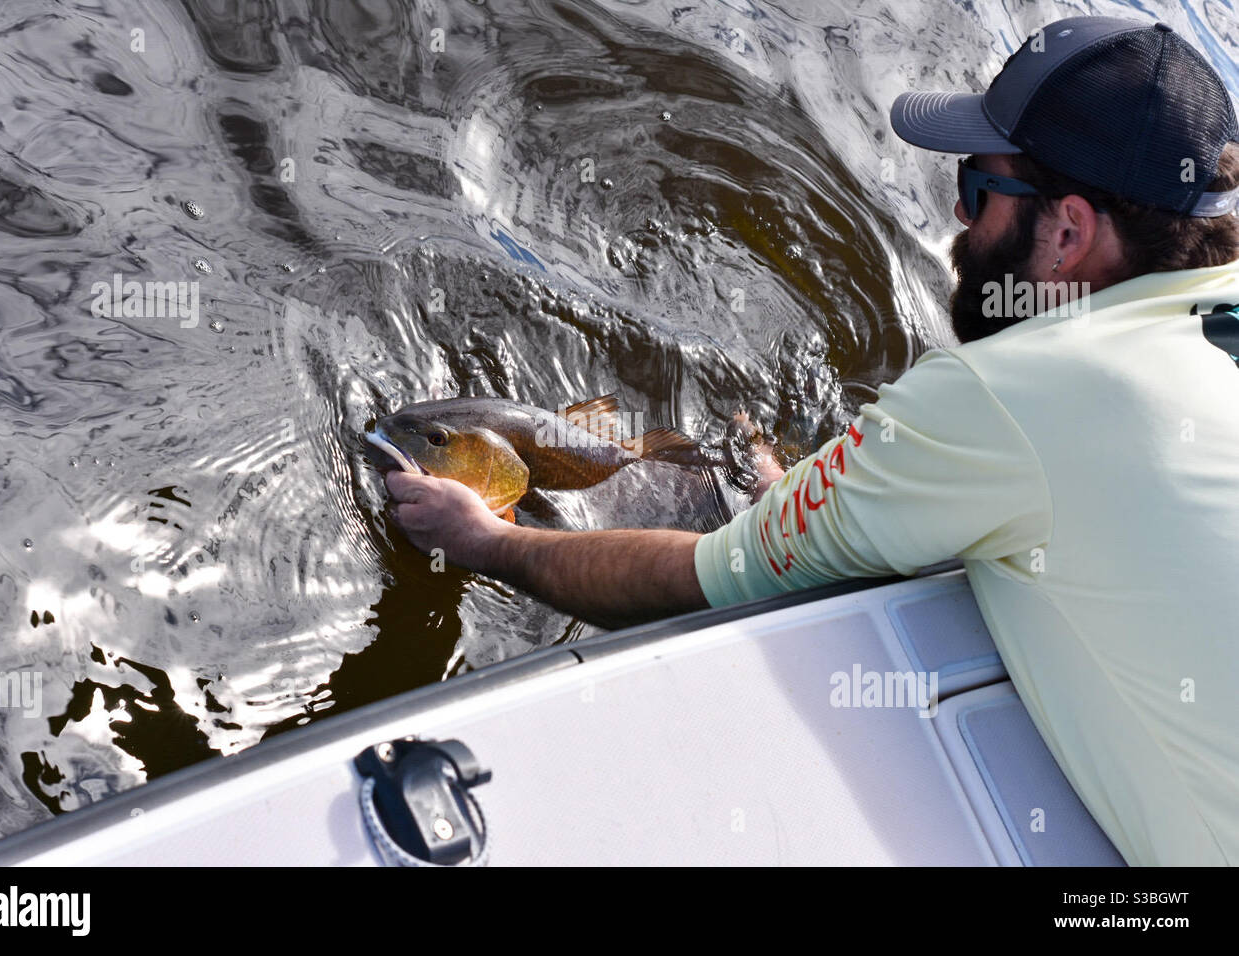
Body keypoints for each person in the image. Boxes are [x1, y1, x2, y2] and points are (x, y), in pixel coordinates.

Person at [383, 15, 1239, 866]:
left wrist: (487, 540)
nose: (955, 211)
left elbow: (707, 576)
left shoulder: (1014, 393)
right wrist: (811, 499)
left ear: (1067, 233)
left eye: (979, 189)